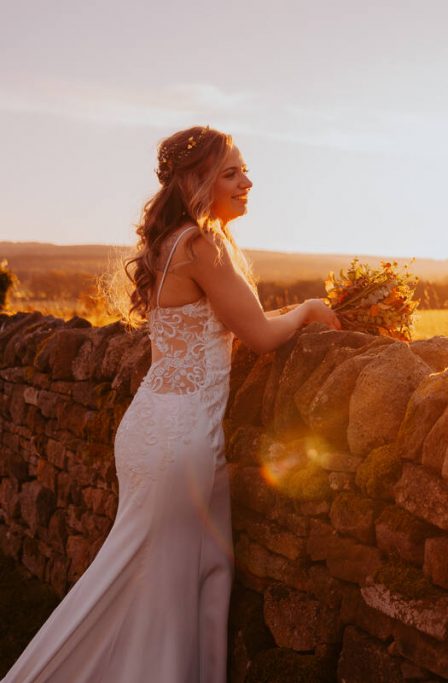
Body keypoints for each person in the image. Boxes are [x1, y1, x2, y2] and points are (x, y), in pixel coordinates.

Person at [2, 125, 340, 682]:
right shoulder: (200, 245)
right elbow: (258, 334)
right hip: (179, 437)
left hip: (155, 426)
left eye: (242, 170)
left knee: (188, 576)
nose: (247, 182)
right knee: (159, 584)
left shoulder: (176, 240)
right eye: (232, 172)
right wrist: (305, 309)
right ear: (195, 180)